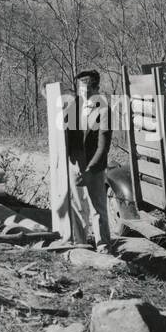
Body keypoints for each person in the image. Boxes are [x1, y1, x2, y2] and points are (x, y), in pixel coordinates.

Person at [66, 69, 113, 250]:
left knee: (98, 210)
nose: (83, 94)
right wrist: (74, 165)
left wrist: (90, 169)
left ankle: (104, 247)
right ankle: (80, 245)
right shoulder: (73, 107)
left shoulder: (105, 110)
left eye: (86, 90)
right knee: (77, 207)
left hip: (95, 167)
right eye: (80, 90)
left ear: (96, 88)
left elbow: (103, 146)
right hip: (76, 165)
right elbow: (67, 139)